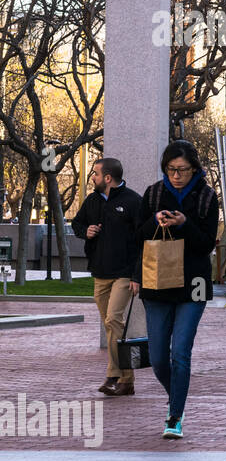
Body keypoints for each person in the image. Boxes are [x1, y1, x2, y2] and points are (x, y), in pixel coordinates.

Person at [132, 140, 219, 439]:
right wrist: (155, 221)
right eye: (171, 169)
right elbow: (138, 237)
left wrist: (183, 223)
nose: (176, 175)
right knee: (157, 358)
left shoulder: (207, 197)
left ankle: (175, 416)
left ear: (193, 168)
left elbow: (207, 243)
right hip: (157, 283)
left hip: (193, 284)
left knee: (180, 352)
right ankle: (177, 393)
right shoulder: (154, 194)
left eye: (182, 170)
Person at [71, 157, 144, 396]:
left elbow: (143, 241)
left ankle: (114, 374)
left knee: (113, 320)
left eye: (95, 174)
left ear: (108, 178)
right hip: (100, 273)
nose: (92, 177)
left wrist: (137, 276)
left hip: (124, 273)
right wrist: (86, 232)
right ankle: (126, 381)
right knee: (110, 325)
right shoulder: (92, 200)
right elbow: (77, 224)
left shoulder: (133, 201)